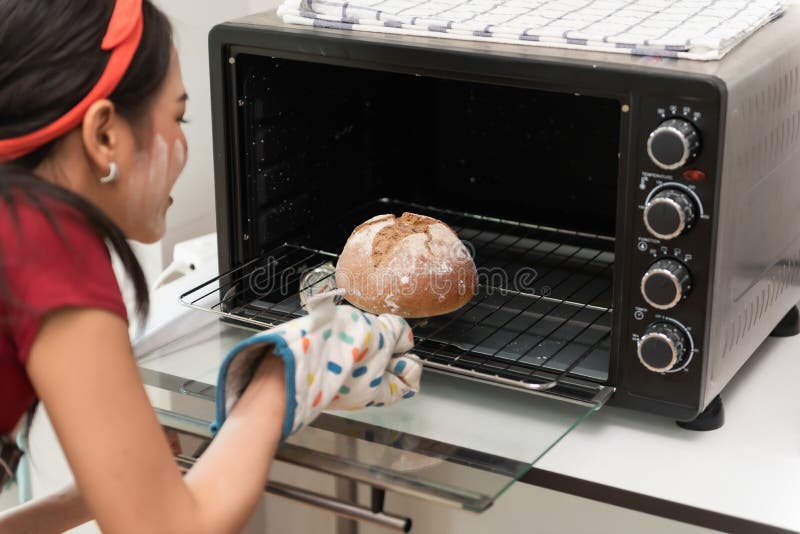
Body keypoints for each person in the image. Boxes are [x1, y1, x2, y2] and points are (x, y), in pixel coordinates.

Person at [0, 1, 420, 532]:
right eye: (177, 117)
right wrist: (284, 375)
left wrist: (80, 502)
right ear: (104, 134)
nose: (181, 143)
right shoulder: (47, 246)